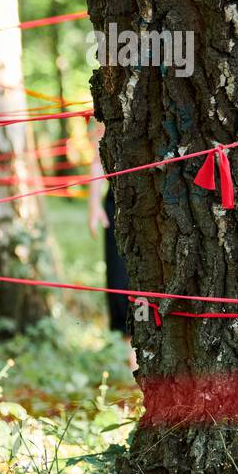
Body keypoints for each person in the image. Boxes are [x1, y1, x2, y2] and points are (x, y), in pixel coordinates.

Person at [87, 119, 137, 371]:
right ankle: (133, 359)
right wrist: (93, 204)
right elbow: (98, 157)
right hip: (117, 202)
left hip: (159, 199)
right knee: (120, 276)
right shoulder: (110, 104)